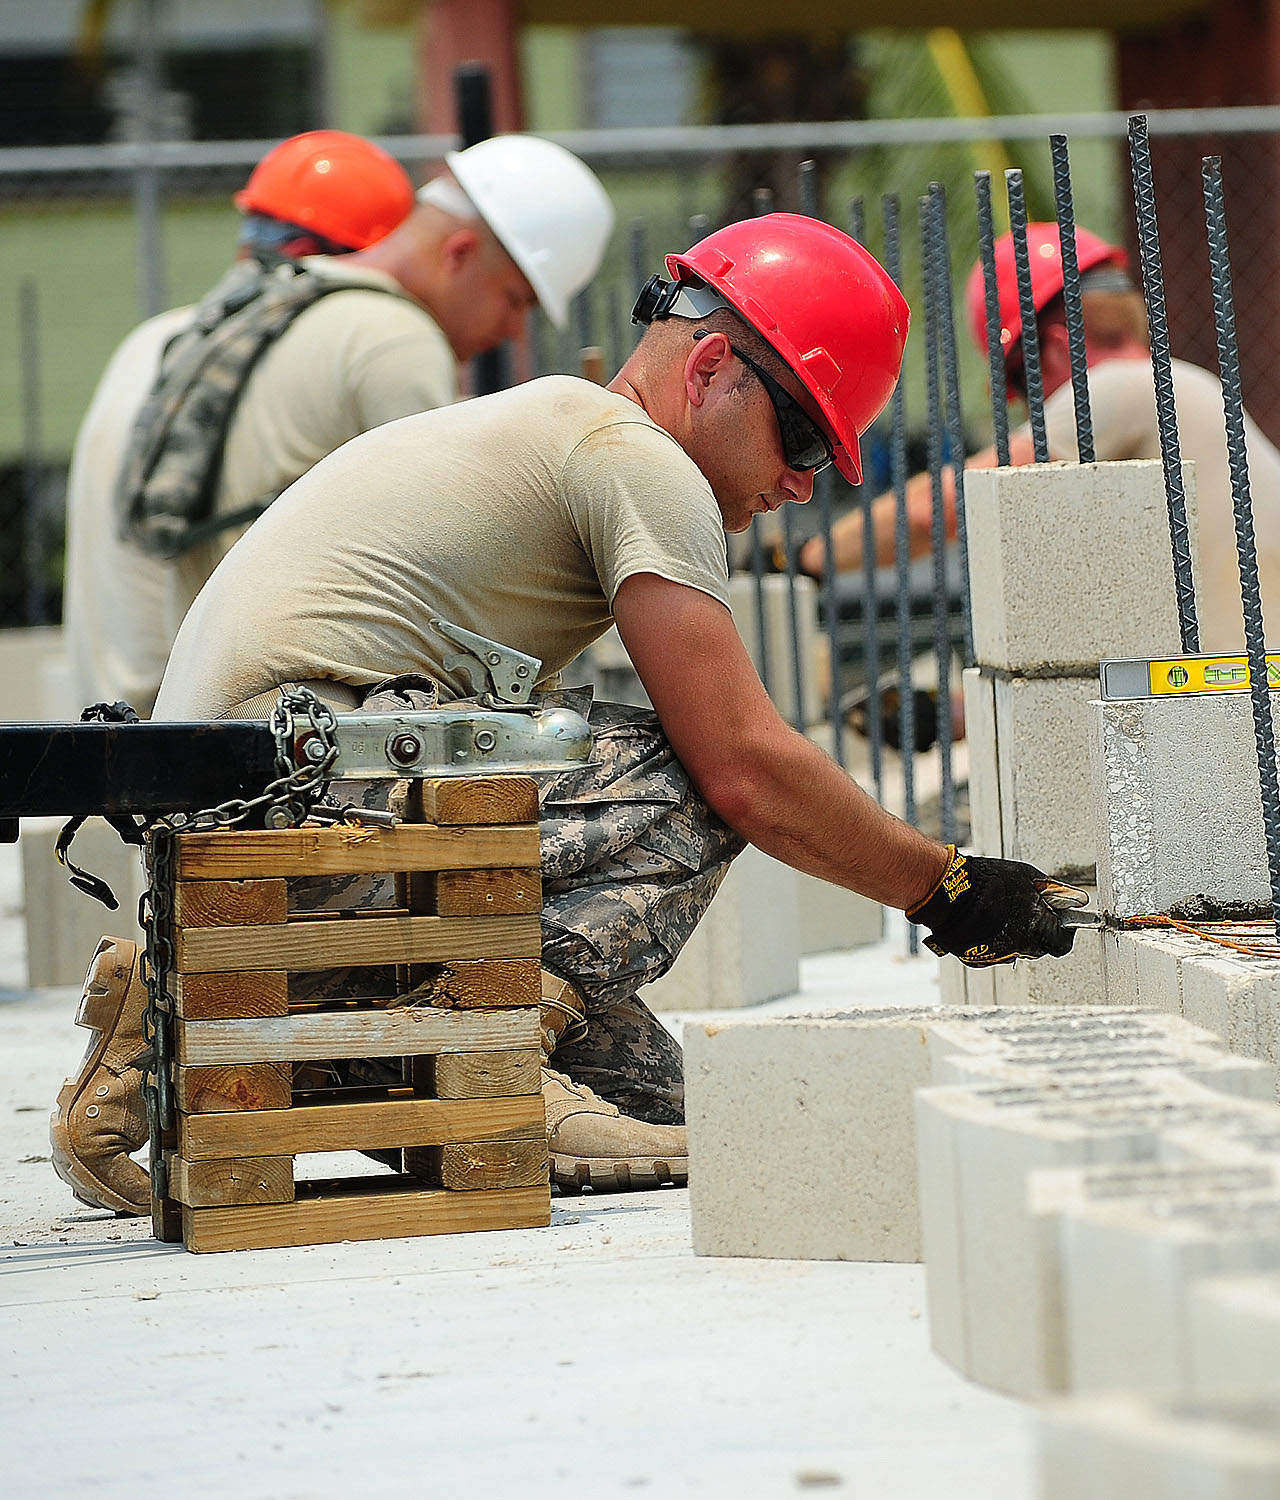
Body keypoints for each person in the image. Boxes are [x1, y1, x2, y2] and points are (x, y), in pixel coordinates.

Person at [50, 215, 1081, 1216]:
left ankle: (173, 1029)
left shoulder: (560, 429)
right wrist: (947, 890)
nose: (802, 485)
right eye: (804, 436)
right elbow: (746, 771)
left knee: (668, 1110)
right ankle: (482, 1055)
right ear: (710, 366)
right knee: (687, 783)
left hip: (245, 824)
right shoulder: (637, 458)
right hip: (294, 801)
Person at [804, 223, 1280, 816]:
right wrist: (956, 716)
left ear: (1052, 346)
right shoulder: (1194, 407)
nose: (1031, 407)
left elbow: (942, 509)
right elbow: (1125, 648)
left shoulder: (1124, 388)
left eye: (1021, 382)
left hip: (1238, 762)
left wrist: (805, 559)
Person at [62, 131, 613, 715]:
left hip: (144, 713)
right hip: (257, 718)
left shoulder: (222, 323)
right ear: (459, 253)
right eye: (516, 300)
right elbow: (451, 572)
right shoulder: (395, 340)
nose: (512, 331)